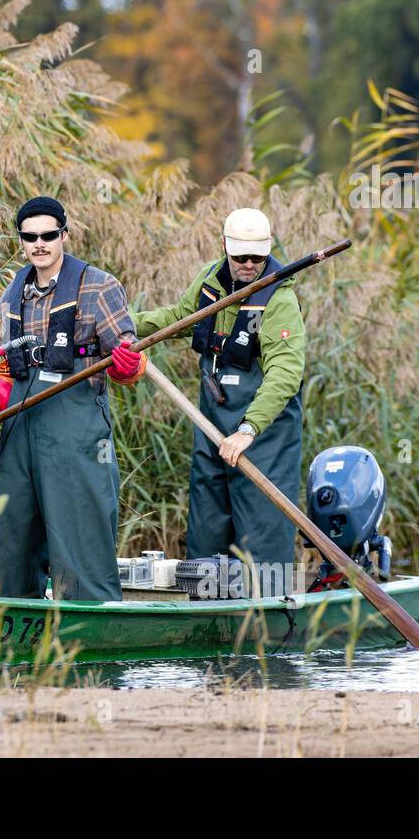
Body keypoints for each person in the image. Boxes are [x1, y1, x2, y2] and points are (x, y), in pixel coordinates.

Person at [0, 196, 146, 601]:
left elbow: (130, 364)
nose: (39, 244)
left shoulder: (98, 285)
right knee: (11, 530)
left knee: (79, 527)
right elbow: (7, 369)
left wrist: (127, 364)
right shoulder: (13, 292)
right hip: (20, 427)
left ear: (64, 234)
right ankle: (3, 617)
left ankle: (90, 613)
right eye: (30, 237)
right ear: (21, 241)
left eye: (48, 235)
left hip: (75, 428)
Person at [132, 207, 305, 569]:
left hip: (262, 433)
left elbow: (286, 373)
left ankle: (266, 613)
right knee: (207, 522)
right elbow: (180, 318)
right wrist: (125, 327)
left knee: (261, 531)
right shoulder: (210, 280)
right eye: (239, 256)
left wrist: (248, 429)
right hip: (211, 419)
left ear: (269, 249)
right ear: (224, 246)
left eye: (257, 257)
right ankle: (206, 606)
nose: (247, 264)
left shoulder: (280, 300)